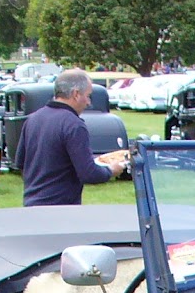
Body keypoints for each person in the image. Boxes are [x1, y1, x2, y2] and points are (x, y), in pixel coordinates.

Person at [15, 68, 126, 206]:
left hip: (31, 205)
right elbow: (88, 173)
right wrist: (111, 170)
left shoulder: (32, 119)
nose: (88, 102)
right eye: (88, 95)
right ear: (76, 94)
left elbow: (21, 164)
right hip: (61, 209)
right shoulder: (74, 125)